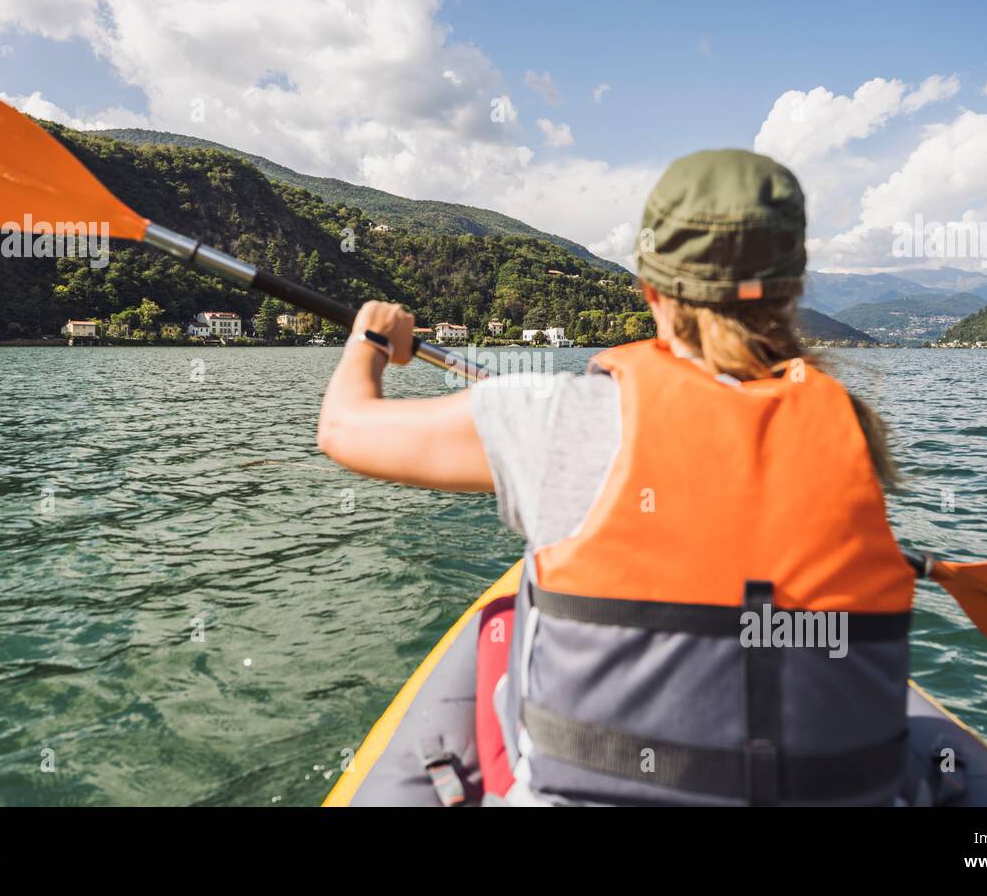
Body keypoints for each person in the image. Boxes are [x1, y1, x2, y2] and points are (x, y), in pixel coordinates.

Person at [318, 149, 914, 806]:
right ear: (794, 290)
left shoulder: (564, 418)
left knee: (500, 628)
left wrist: (371, 340)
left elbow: (344, 430)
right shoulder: (854, 432)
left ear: (651, 289)